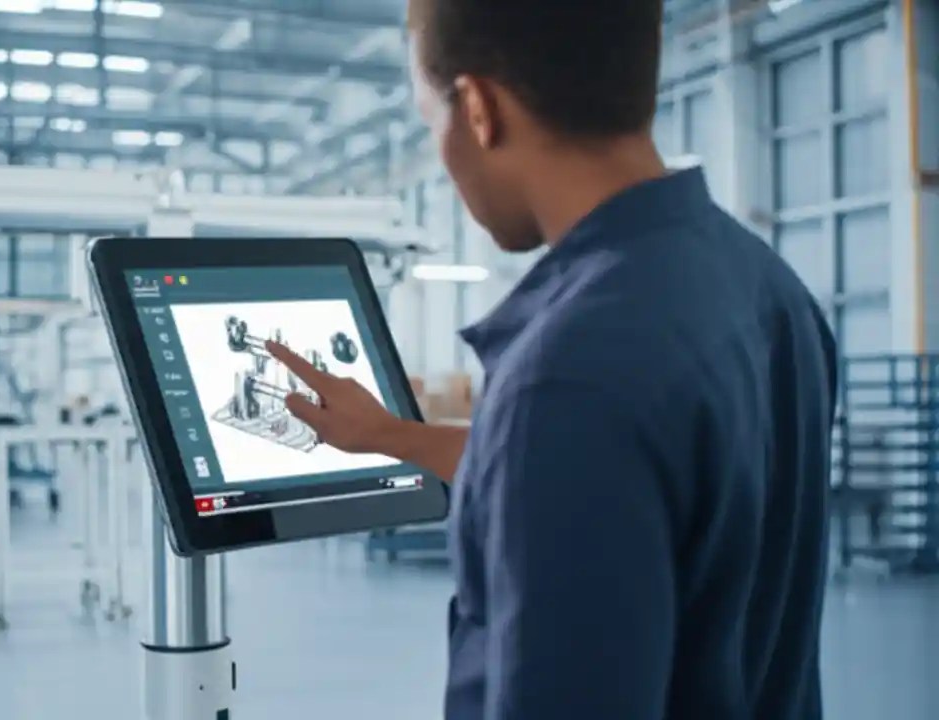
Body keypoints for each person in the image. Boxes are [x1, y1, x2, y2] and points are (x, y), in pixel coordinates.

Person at [266, 0, 839, 718]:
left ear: (478, 108)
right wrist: (389, 437)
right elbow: (637, 478)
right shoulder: (767, 287)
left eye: (431, 119)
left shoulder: (568, 374)